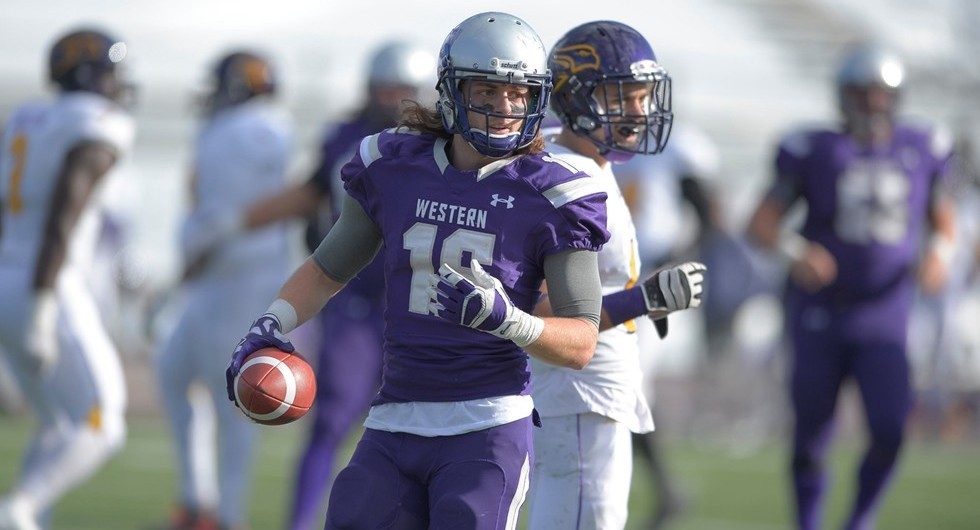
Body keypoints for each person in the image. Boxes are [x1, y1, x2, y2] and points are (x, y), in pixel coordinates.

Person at [222, 11, 662, 528]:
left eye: (519, 93)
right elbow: (325, 270)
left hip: (487, 427)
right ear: (453, 91)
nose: (505, 106)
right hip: (395, 419)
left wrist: (510, 321)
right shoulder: (393, 166)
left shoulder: (557, 191)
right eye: (489, 90)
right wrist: (271, 321)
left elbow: (581, 341)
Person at [746, 42, 957, 530]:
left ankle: (859, 521)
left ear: (896, 98)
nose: (871, 105)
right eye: (861, 95)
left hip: (886, 311)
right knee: (812, 436)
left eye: (879, 95)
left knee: (890, 429)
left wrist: (941, 256)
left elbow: (944, 220)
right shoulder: (815, 148)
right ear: (842, 96)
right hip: (820, 310)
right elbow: (760, 223)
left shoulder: (923, 147)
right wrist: (797, 252)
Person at [526, 21, 706, 530]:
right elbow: (534, 309)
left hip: (587, 395)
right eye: (622, 96)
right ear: (577, 96)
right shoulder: (566, 175)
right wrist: (640, 300)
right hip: (575, 394)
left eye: (645, 96)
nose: (640, 110)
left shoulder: (587, 163)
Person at [286, 41, 435, 530]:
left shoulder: (439, 145)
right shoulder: (346, 137)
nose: (393, 99)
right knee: (331, 418)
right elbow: (314, 203)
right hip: (357, 301)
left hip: (417, 306)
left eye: (402, 89)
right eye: (384, 88)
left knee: (420, 433)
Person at [0, 28, 136, 530]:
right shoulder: (98, 122)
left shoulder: (26, 118)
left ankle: (26, 519)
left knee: (58, 424)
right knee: (103, 425)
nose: (118, 84)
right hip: (49, 285)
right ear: (92, 74)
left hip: (8, 278)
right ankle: (19, 509)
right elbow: (65, 210)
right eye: (111, 72)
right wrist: (41, 304)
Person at [155, 50, 293, 530]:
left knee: (231, 395)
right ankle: (199, 500)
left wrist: (193, 256)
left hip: (236, 275)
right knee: (174, 370)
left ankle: (223, 515)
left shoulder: (240, 131)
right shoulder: (263, 127)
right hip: (222, 274)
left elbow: (219, 214)